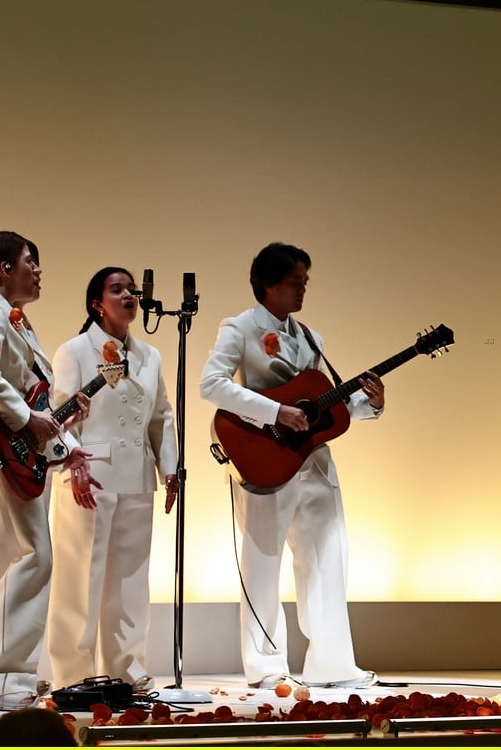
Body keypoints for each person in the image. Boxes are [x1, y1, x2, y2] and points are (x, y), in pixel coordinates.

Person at [199, 242, 385, 689]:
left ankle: (333, 665)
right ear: (269, 285)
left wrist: (370, 405)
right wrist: (273, 412)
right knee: (262, 561)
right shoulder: (240, 327)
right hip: (264, 455)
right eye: (295, 282)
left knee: (327, 558)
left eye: (305, 281)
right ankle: (266, 667)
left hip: (313, 460)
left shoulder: (310, 336)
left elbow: (324, 405)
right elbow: (212, 384)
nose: (303, 289)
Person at [0, 231, 96, 707]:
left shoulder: (12, 317)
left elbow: (34, 398)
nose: (39, 270)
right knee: (21, 559)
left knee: (6, 562)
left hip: (11, 449)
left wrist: (65, 441)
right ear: (3, 268)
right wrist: (30, 418)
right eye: (31, 260)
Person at [47, 267, 179, 692]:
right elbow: (60, 414)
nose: (129, 297)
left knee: (131, 580)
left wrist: (170, 467)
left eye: (132, 291)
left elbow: (161, 414)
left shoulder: (150, 355)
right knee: (80, 577)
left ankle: (127, 667)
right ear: (96, 303)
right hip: (90, 473)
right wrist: (72, 462)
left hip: (137, 474)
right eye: (117, 289)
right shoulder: (74, 351)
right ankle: (74, 673)